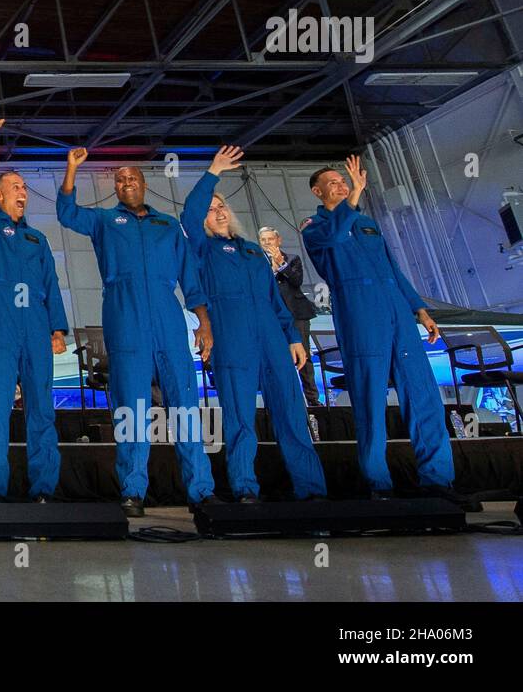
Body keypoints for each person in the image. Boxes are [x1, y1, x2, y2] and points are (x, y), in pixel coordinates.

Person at [58, 149, 217, 518]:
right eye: (120, 179)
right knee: (131, 407)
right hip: (123, 313)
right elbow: (67, 213)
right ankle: (132, 490)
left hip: (167, 315)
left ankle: (201, 491)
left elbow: (190, 278)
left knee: (186, 406)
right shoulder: (104, 221)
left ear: (145, 185)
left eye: (132, 178)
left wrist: (204, 323)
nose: (126, 183)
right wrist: (71, 169)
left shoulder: (168, 226)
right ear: (115, 188)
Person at [302, 156, 465, 506]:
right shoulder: (314, 226)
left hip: (397, 311)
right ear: (318, 192)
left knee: (423, 395)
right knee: (369, 398)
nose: (342, 185)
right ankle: (378, 483)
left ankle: (438, 480)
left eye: (344, 180)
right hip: (360, 314)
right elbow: (332, 238)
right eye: (333, 183)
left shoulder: (368, 224)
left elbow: (394, 269)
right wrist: (354, 198)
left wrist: (419, 310)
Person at [180, 146, 327, 503]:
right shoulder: (201, 249)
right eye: (211, 209)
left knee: (292, 413)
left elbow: (274, 301)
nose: (217, 212)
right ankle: (245, 487)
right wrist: (214, 171)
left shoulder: (251, 251)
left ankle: (311, 490)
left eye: (221, 207)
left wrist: (292, 338)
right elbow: (190, 213)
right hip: (231, 340)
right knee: (240, 418)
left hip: (271, 339)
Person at [0, 106, 68, 504]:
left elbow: (51, 284)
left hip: (36, 329)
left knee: (42, 410)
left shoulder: (37, 240)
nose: (23, 193)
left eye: (25, 187)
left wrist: (57, 328)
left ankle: (43, 490)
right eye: (16, 187)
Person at [258, 225, 321, 405]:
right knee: (276, 357)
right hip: (272, 316)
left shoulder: (292, 259)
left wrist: (281, 264)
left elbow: (296, 281)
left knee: (304, 356)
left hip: (297, 314)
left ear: (278, 240)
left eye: (270, 239)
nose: (267, 243)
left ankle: (313, 399)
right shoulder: (257, 263)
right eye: (263, 240)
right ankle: (284, 400)